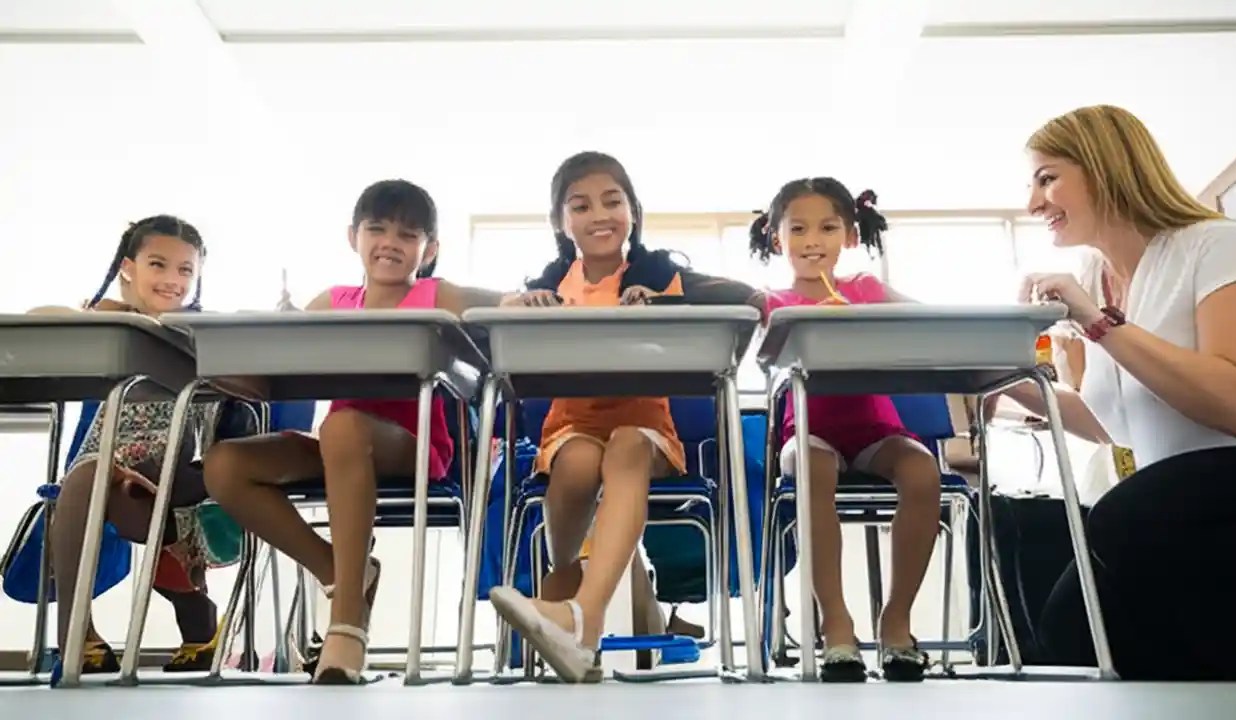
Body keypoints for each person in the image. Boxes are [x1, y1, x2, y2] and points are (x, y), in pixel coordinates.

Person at [992, 104, 1236, 681]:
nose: (1032, 203)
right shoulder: (1101, 276)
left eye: (1047, 178)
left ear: (1104, 168)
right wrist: (1010, 374)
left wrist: (1099, 323)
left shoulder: (1218, 245)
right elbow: (1115, 425)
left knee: (1124, 516)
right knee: (1069, 632)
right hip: (1173, 497)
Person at [202, 179, 511, 684]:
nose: (390, 242)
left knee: (342, 428)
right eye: (377, 229)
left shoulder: (436, 294)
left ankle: (346, 622)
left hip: (414, 448)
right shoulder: (333, 300)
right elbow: (277, 361)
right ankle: (341, 572)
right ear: (353, 236)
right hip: (339, 445)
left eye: (408, 235)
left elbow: (499, 302)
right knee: (225, 464)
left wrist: (528, 298)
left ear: (428, 249)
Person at [487, 151, 758, 682]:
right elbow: (498, 321)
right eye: (581, 205)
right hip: (572, 427)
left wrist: (663, 303)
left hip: (646, 429)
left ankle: (579, 619)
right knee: (580, 461)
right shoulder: (550, 283)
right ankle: (568, 594)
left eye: (613, 201)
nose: (599, 215)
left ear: (634, 210)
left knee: (627, 443)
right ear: (561, 222)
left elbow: (737, 297)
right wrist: (521, 304)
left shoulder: (660, 275)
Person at [746, 178, 939, 682]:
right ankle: (836, 624)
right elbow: (763, 352)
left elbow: (928, 321)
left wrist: (867, 321)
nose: (813, 240)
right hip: (809, 431)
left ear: (850, 236)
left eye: (828, 227)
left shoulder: (868, 290)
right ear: (776, 238)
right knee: (810, 466)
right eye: (799, 229)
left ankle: (897, 621)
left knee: (922, 471)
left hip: (876, 429)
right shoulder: (771, 301)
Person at [29, 215, 223, 676]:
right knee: (88, 476)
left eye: (185, 270)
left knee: (94, 475)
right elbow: (37, 321)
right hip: (110, 478)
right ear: (127, 267)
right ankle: (77, 638)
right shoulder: (106, 328)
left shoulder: (196, 330)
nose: (173, 280)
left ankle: (81, 636)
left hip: (176, 477)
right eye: (159, 264)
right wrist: (108, 316)